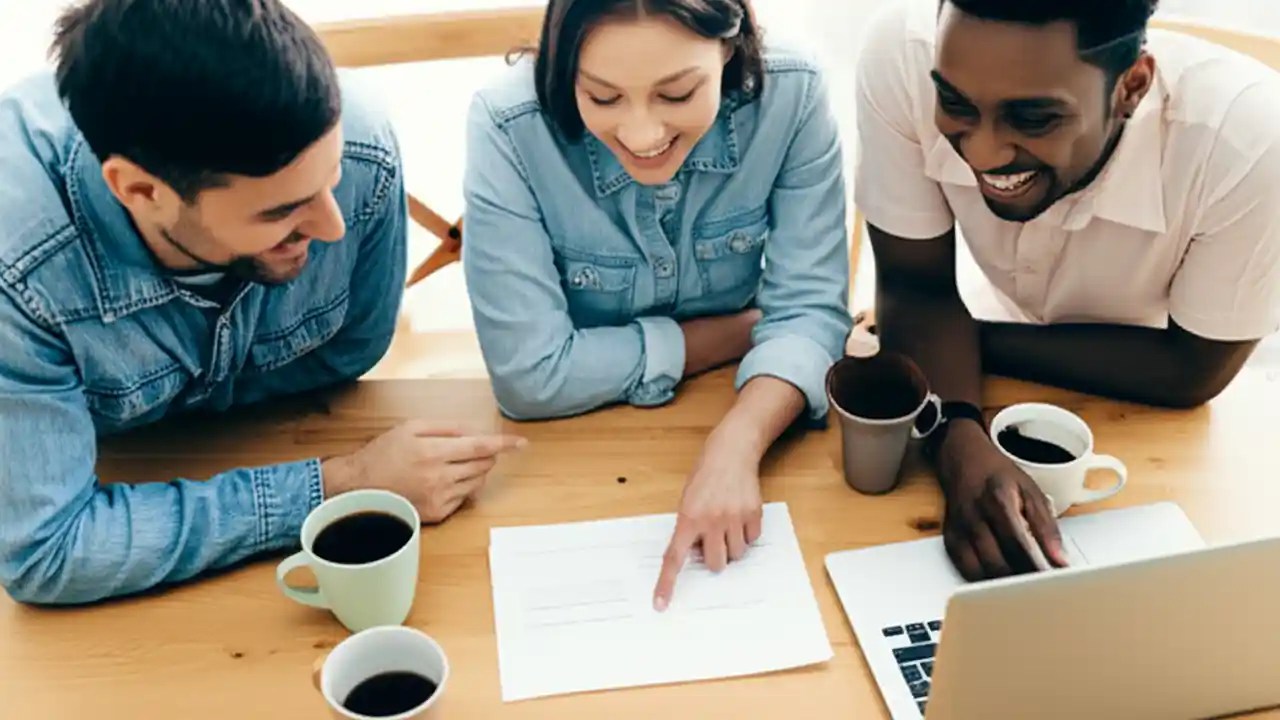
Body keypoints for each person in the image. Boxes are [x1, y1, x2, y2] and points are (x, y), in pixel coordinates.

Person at [0, 0, 524, 606]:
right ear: (141, 191)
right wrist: (341, 485)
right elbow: (47, 550)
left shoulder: (363, 151)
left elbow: (350, 353)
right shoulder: (21, 270)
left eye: (329, 181)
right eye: (281, 211)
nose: (333, 228)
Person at [855, 0, 1280, 581]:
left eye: (1033, 119)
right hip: (1015, 369)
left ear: (1131, 87)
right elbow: (914, 288)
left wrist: (964, 341)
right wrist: (955, 437)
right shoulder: (904, 58)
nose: (982, 153)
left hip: (1169, 423)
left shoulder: (1255, 146)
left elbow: (1191, 372)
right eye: (955, 104)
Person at [462, 0, 851, 609]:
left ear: (729, 46)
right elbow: (529, 376)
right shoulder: (508, 125)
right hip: (571, 452)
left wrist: (737, 443)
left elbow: (811, 311)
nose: (642, 135)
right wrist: (739, 332)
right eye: (602, 97)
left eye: (677, 95)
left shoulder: (792, 94)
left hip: (735, 402)